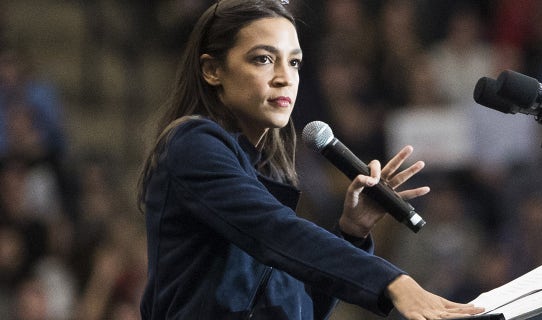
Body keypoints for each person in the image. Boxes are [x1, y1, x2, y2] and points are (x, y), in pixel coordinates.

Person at [137, 1, 485, 319]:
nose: (284, 77)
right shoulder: (193, 146)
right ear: (212, 70)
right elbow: (277, 233)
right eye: (262, 59)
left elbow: (297, 309)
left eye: (294, 62)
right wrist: (392, 280)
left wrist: (351, 230)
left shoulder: (266, 168)